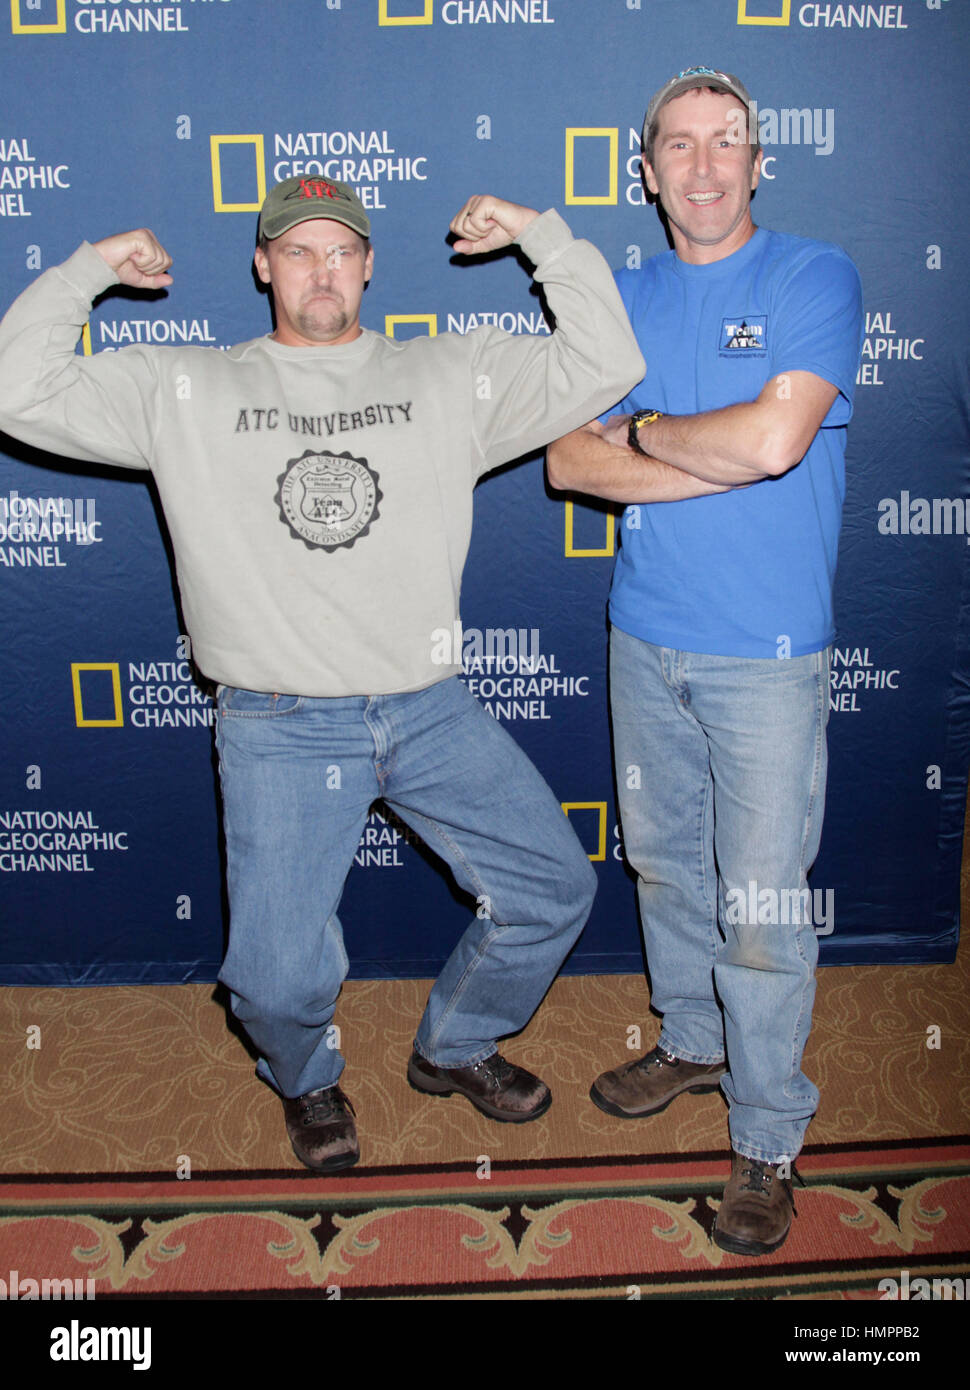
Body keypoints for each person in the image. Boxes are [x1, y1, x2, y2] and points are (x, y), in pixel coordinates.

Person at [0, 177, 644, 1173]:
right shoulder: (185, 387)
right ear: (262, 265)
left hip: (426, 708)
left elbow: (607, 357)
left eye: (338, 250)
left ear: (370, 263)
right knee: (270, 980)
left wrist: (537, 235)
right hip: (279, 721)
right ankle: (305, 1079)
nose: (319, 270)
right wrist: (86, 271)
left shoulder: (448, 373)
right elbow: (14, 386)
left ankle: (456, 1044)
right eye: (295, 251)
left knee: (552, 886)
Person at [547, 67, 863, 1255]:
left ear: (756, 161)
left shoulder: (810, 273)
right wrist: (706, 448)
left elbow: (780, 438)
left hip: (767, 657)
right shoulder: (619, 301)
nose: (701, 164)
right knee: (668, 867)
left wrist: (651, 435)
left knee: (768, 904)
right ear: (647, 172)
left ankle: (770, 1133)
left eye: (724, 141)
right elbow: (568, 465)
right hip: (646, 636)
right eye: (676, 145)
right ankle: (692, 1037)